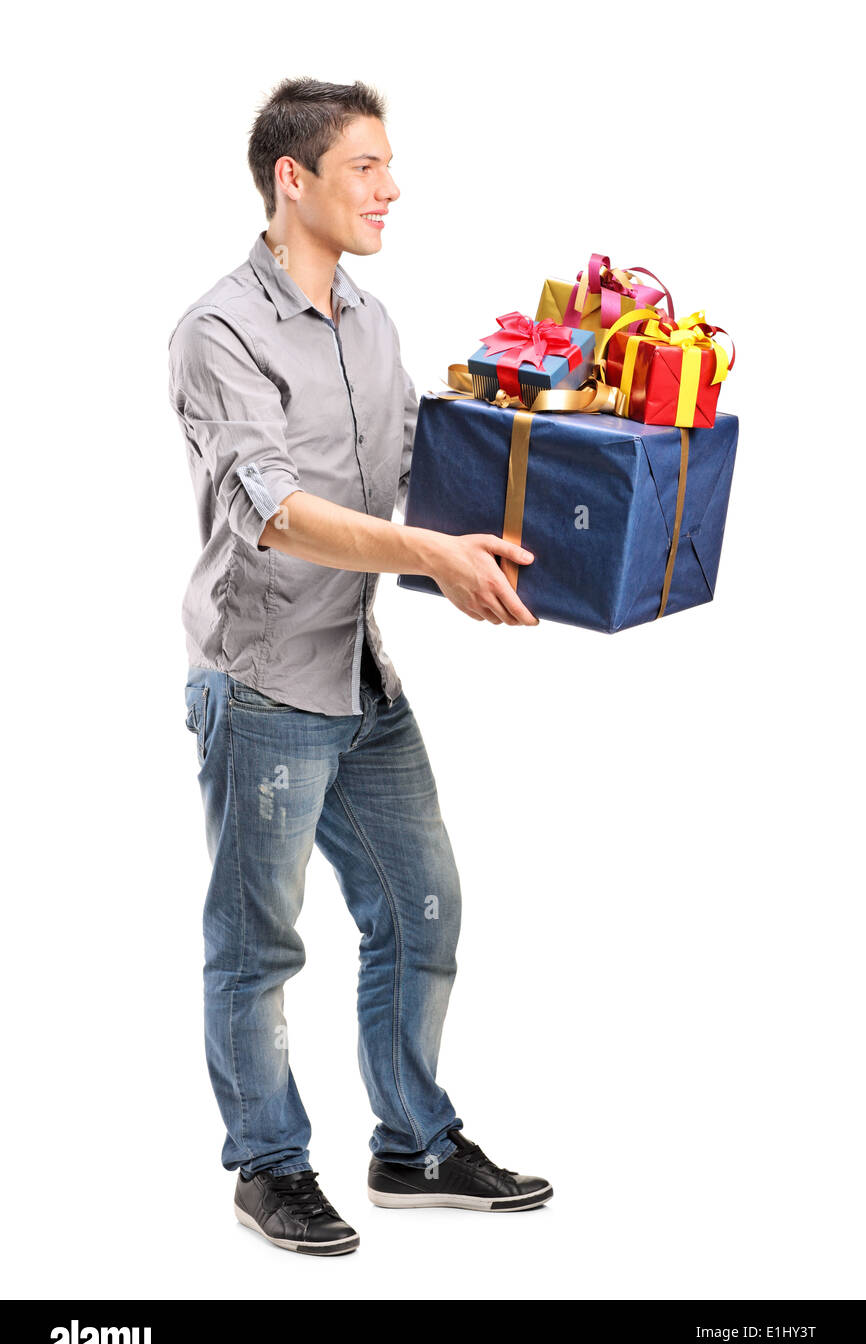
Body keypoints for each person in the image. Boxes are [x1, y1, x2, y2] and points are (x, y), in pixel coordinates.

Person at [168, 76, 553, 1257]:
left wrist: (569, 451)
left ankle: (413, 1144)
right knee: (258, 943)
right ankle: (268, 1165)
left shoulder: (374, 324)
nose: (392, 187)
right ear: (295, 179)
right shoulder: (217, 329)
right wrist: (427, 550)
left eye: (391, 166)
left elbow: (420, 478)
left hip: (360, 675)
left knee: (423, 906)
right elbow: (275, 511)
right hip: (266, 682)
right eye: (367, 167)